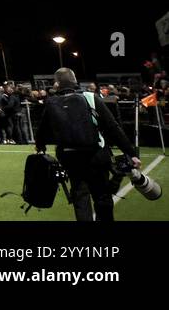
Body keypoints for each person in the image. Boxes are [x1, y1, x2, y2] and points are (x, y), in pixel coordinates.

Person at [33, 68, 139, 222]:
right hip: (96, 155)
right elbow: (112, 127)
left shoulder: (52, 103)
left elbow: (42, 132)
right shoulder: (90, 97)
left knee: (80, 197)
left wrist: (40, 145)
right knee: (102, 197)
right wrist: (131, 153)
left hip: (69, 158)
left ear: (57, 84)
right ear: (75, 81)